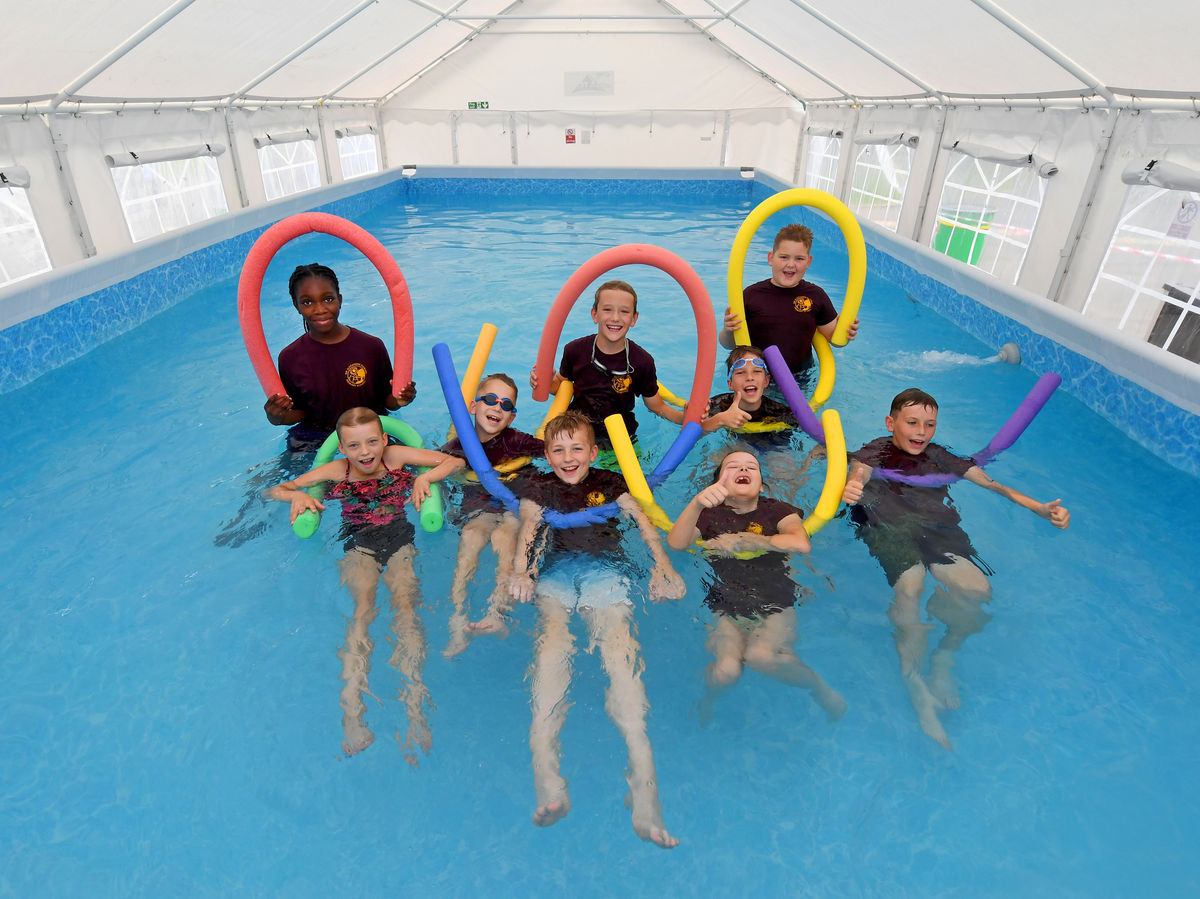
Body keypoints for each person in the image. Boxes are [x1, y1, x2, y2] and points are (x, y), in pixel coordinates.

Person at [842, 388, 1071, 750]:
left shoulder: (938, 456)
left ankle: (944, 657)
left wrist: (1038, 508)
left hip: (937, 527)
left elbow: (990, 483)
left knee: (977, 591)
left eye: (929, 424)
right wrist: (853, 486)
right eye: (912, 422)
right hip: (887, 524)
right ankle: (914, 681)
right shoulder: (876, 449)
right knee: (911, 585)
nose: (921, 431)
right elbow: (859, 471)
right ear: (891, 423)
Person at [508, 411, 685, 848]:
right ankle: (547, 774)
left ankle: (644, 784)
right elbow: (529, 529)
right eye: (558, 450)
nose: (568, 458)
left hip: (607, 570)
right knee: (551, 651)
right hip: (554, 574)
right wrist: (521, 573)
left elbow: (643, 525)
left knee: (619, 657)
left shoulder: (611, 482)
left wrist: (663, 569)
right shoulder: (538, 486)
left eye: (576, 449)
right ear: (546, 455)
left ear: (593, 451)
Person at [266, 407, 460, 762]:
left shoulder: (396, 458)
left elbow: (453, 462)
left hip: (401, 540)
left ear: (385, 439)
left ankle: (416, 710)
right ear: (341, 447)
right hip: (359, 544)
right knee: (361, 614)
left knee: (406, 612)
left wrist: (423, 478)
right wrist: (294, 494)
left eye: (373, 441)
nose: (366, 451)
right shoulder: (336, 470)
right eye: (354, 445)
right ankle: (353, 715)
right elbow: (274, 489)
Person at [668, 449, 846, 724]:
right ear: (717, 484)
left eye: (752, 467)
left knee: (760, 656)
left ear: (762, 485)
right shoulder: (706, 515)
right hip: (724, 602)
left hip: (776, 600)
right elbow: (677, 544)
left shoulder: (776, 510)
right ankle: (711, 698)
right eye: (733, 466)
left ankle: (819, 689)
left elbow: (800, 543)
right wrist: (696, 504)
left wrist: (753, 541)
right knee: (726, 670)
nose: (744, 469)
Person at [437, 373, 544, 657]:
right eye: (489, 400)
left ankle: (498, 611)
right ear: (473, 406)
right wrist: (441, 499)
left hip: (514, 503)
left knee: (504, 534)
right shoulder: (457, 446)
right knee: (471, 536)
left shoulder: (517, 441)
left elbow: (553, 452)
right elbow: (434, 472)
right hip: (479, 506)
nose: (497, 407)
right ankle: (458, 618)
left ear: (511, 417)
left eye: (506, 404)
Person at [264, 263, 417, 453]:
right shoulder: (290, 358)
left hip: (370, 434)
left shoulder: (371, 347)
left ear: (340, 300)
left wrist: (401, 399)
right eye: (307, 302)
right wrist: (277, 417)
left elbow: (388, 401)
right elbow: (300, 412)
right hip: (316, 438)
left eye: (328, 299)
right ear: (297, 306)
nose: (319, 309)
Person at [530, 279, 684, 450]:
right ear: (595, 314)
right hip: (576, 429)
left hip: (618, 435)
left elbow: (658, 407)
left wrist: (685, 417)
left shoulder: (642, 361)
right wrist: (545, 381)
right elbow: (559, 386)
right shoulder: (575, 350)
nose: (615, 318)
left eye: (624, 312)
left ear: (634, 319)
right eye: (607, 310)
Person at [719, 224, 859, 393]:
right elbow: (728, 344)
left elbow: (834, 338)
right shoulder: (751, 296)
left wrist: (846, 332)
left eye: (799, 259)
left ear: (808, 261)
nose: (791, 265)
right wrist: (728, 330)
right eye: (784, 257)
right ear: (771, 258)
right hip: (759, 378)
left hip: (800, 377)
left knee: (795, 419)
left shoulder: (816, 296)